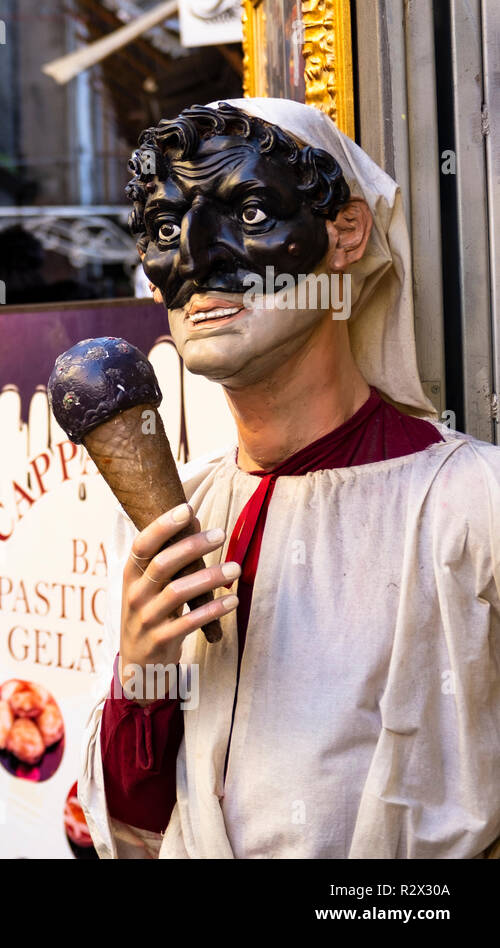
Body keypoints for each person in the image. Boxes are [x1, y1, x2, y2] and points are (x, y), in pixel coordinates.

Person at [79, 98, 500, 858]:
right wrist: (141, 675)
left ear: (344, 235)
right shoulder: (173, 519)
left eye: (246, 210)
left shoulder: (474, 506)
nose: (199, 260)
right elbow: (130, 831)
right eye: (168, 229)